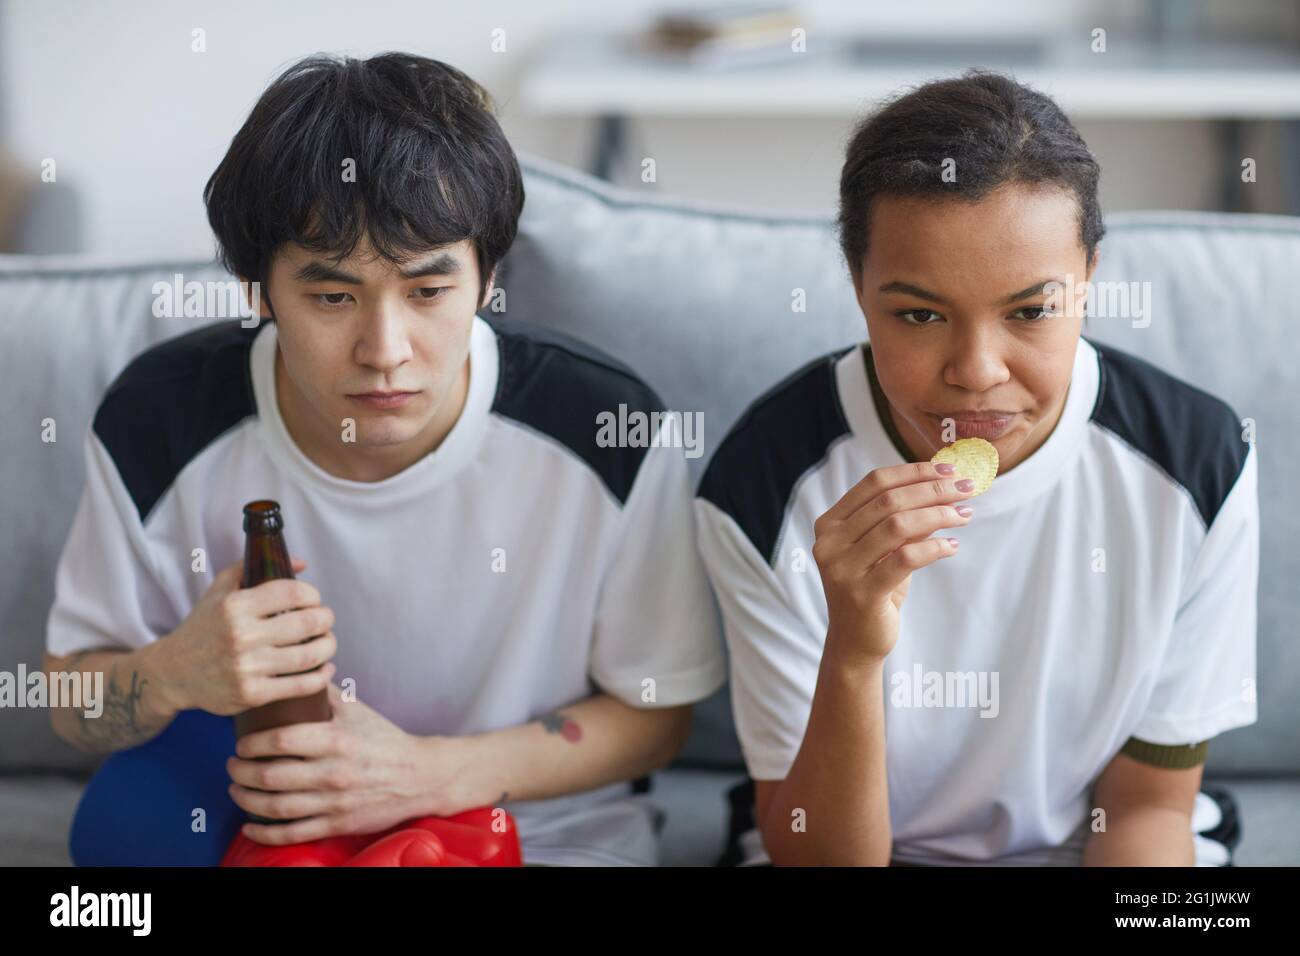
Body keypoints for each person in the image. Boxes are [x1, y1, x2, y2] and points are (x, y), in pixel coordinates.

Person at [45, 52, 724, 867]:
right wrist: (171, 673)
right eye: (332, 297)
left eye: (428, 292)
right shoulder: (158, 418)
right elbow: (71, 700)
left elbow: (658, 714)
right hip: (274, 838)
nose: (385, 352)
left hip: (542, 837)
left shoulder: (605, 428)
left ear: (487, 279)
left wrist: (428, 776)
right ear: (257, 292)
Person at [695, 70, 1258, 866]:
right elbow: (814, 853)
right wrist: (852, 649)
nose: (976, 371)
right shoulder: (764, 481)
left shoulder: (1200, 463)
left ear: (1090, 276)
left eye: (1030, 311)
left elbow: (1146, 813)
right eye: (919, 315)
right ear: (857, 287)